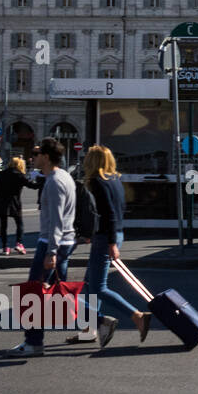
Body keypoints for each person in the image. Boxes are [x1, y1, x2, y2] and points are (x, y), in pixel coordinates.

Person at [71, 145, 151, 348]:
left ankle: (137, 315)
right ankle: (89, 330)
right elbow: (118, 210)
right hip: (112, 234)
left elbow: (108, 213)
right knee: (90, 284)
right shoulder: (115, 179)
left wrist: (111, 242)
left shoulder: (98, 181)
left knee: (98, 287)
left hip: (106, 237)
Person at [6, 138, 75, 357]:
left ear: (46, 157)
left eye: (36, 155)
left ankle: (33, 342)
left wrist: (51, 252)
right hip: (64, 240)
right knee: (57, 292)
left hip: (52, 243)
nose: (33, 158)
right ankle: (99, 321)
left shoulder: (54, 181)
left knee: (33, 293)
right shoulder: (64, 177)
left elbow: (55, 220)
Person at [0, 156, 35, 255]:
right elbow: (31, 185)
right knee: (19, 224)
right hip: (15, 203)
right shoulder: (19, 175)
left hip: (2, 202)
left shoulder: (1, 174)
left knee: (3, 225)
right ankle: (19, 243)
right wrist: (42, 181)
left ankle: (5, 247)